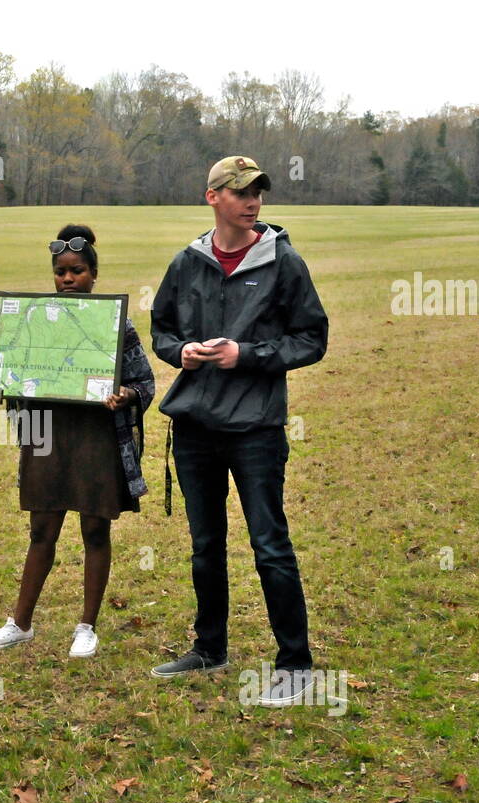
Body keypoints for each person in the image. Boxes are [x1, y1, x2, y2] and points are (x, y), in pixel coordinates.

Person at [147, 156, 328, 706]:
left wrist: (245, 354)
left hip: (256, 428)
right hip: (197, 426)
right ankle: (210, 648)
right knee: (205, 545)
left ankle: (295, 665)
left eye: (258, 193)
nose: (252, 202)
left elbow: (311, 339)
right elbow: (161, 329)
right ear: (213, 197)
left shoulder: (284, 262)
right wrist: (183, 351)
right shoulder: (187, 262)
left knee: (270, 544)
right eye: (241, 192)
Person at [0, 225, 155, 658]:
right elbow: (15, 377)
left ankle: (87, 626)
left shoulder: (117, 324)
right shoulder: (34, 317)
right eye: (61, 272)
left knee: (95, 529)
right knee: (42, 529)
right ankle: (20, 622)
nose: (68, 279)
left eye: (77, 271)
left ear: (94, 274)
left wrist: (126, 395)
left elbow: (145, 382)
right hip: (47, 435)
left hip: (96, 438)